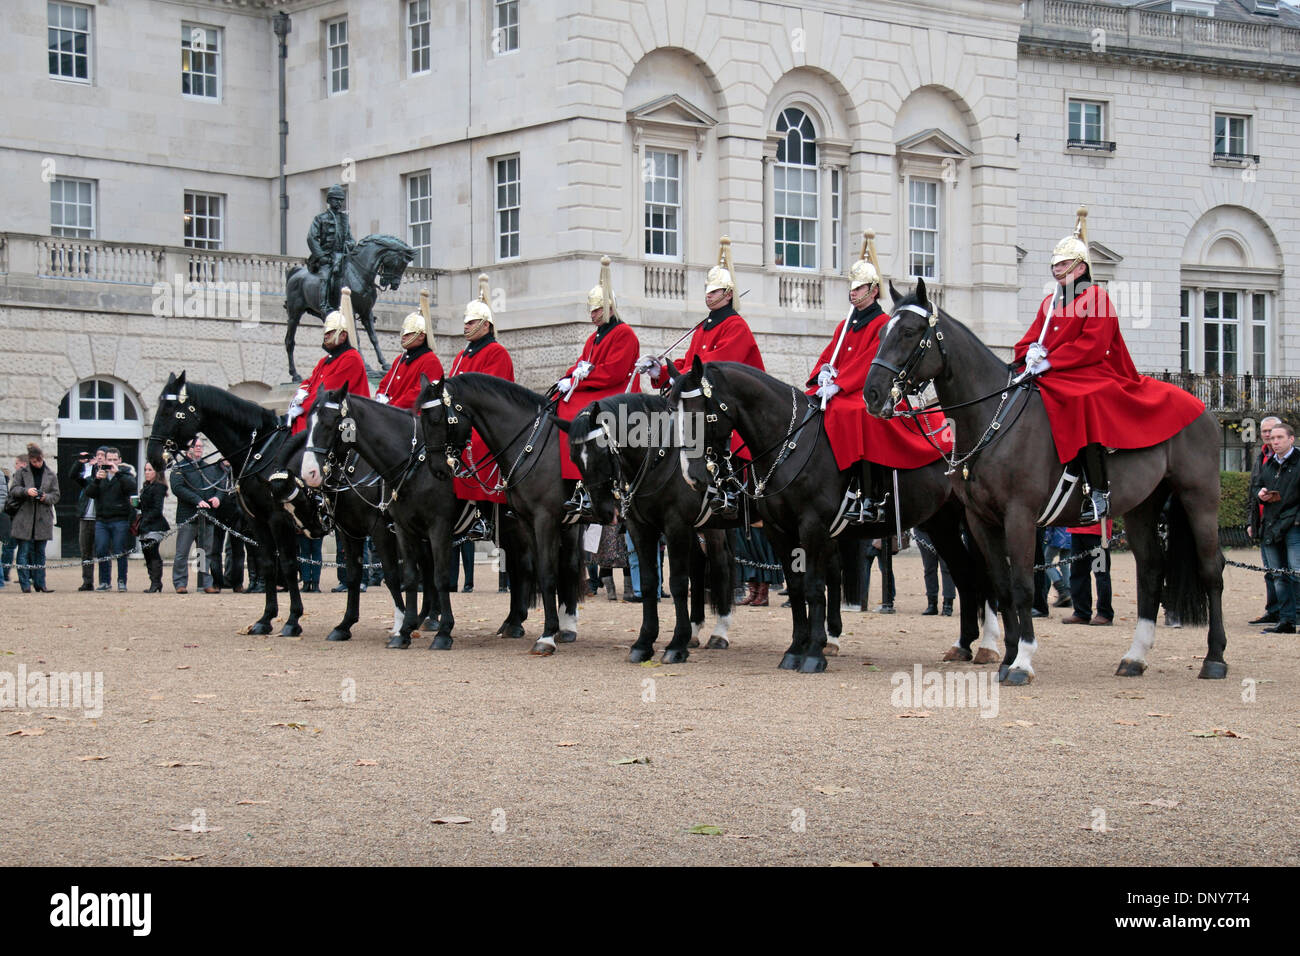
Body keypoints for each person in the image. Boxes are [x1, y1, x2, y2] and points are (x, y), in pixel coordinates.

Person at [1013, 207, 1205, 524]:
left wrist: (1049, 359)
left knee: (1083, 400)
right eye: (1055, 265)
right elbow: (1032, 336)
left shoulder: (1096, 297)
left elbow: (1093, 345)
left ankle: (1098, 490)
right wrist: (1026, 354)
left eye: (1063, 264)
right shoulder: (1049, 303)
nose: (1057, 270)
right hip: (1054, 373)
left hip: (1091, 371)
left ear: (1079, 266)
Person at [807, 231, 950, 524]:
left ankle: (865, 493)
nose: (853, 292)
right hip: (839, 390)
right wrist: (821, 373)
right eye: (852, 288)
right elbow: (830, 355)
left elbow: (870, 363)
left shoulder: (883, 322)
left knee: (855, 413)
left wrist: (841, 383)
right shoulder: (845, 324)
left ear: (873, 291)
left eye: (859, 288)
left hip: (864, 391)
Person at [553, 256, 640, 484]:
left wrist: (577, 383)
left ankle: (578, 478)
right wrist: (567, 377)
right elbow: (582, 363)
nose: (592, 315)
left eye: (597, 310)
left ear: (609, 307)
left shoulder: (624, 333)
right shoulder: (594, 337)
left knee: (574, 410)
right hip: (597, 388)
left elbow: (613, 373)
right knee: (556, 400)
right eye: (591, 310)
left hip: (615, 391)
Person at [447, 274, 514, 542]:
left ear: (486, 325)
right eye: (465, 321)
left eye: (472, 322)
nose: (466, 326)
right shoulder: (463, 354)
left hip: (487, 422)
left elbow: (491, 393)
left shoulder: (496, 352)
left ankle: (481, 514)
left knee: (474, 444)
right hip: (461, 417)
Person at [288, 286, 370, 435]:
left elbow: (329, 390)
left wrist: (303, 406)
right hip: (324, 413)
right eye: (326, 332)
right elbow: (311, 381)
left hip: (346, 422)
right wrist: (300, 393)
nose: (326, 336)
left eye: (331, 332)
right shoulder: (326, 360)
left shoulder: (351, 358)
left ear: (343, 336)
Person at [1251, 421, 1300, 634]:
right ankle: (1286, 620)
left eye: (1279, 437)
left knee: (1296, 571)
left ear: (1291, 439)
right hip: (1271, 524)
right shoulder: (1268, 463)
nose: (1275, 441)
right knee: (1278, 574)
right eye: (1272, 438)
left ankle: (1297, 614)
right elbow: (1256, 487)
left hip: (1294, 525)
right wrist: (1260, 494)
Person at [170, 437, 224, 594]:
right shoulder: (179, 467)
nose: (199, 448)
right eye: (195, 446)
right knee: (182, 552)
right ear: (188, 449)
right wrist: (197, 500)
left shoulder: (209, 467)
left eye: (201, 446)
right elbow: (178, 488)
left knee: (204, 552)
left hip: (207, 516)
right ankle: (180, 583)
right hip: (188, 516)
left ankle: (204, 582)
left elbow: (219, 486)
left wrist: (217, 498)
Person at [374, 289, 444, 409]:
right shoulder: (400, 359)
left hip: (412, 417)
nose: (404, 336)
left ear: (421, 336)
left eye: (409, 334)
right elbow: (385, 384)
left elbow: (419, 392)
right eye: (404, 333)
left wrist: (394, 407)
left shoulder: (430, 360)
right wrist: (380, 398)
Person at [9, 443, 60, 593]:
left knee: (40, 552)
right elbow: (14, 490)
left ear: (42, 458)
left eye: (38, 461)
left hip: (43, 518)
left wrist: (45, 497)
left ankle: (40, 583)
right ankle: (25, 584)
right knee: (23, 551)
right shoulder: (21, 472)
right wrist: (26, 491)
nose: (36, 464)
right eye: (33, 462)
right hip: (24, 517)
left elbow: (56, 495)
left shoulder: (51, 474)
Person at [1247, 416, 1282, 625]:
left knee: (1285, 568)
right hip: (1263, 520)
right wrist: (1250, 521)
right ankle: (1274, 609)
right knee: (1270, 569)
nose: (1268, 435)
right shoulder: (1260, 457)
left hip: (1282, 520)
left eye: (1272, 431)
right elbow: (1252, 490)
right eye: (1265, 431)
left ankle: (1291, 610)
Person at [87, 446, 137, 591]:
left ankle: (122, 581)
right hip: (102, 519)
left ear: (120, 460)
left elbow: (131, 488)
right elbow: (89, 493)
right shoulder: (99, 474)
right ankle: (104, 581)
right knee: (101, 550)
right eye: (109, 460)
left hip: (120, 519)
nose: (112, 462)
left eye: (115, 460)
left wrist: (118, 474)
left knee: (120, 550)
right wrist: (96, 480)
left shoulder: (125, 474)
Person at [307, 184, 355, 315]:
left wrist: (350, 244)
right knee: (326, 276)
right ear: (329, 200)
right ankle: (323, 305)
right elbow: (311, 238)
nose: (339, 202)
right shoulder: (320, 218)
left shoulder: (345, 219)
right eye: (336, 199)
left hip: (342, 256)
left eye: (341, 200)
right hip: (327, 258)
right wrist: (321, 256)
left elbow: (351, 239)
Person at [1061, 518, 1113, 626]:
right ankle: (1081, 612)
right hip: (1077, 528)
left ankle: (1104, 613)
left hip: (1097, 532)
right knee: (1077, 573)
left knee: (1101, 574)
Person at [70, 445, 109, 591]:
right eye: (97, 454)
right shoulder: (89, 473)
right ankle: (87, 581)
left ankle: (104, 581)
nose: (99, 457)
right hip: (86, 517)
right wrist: (80, 462)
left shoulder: (110, 474)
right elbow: (73, 476)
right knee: (85, 551)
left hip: (101, 518)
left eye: (102, 455)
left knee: (102, 551)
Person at [137, 460, 170, 593]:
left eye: (150, 470)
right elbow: (145, 506)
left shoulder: (159, 487)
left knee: (153, 553)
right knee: (147, 554)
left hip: (155, 525)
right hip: (145, 524)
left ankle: (156, 583)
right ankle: (154, 581)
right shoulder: (147, 486)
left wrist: (146, 520)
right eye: (146, 470)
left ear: (156, 472)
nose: (147, 473)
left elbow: (157, 509)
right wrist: (137, 505)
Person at [913, 527, 954, 616]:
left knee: (947, 569)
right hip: (924, 530)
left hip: (946, 529)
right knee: (929, 569)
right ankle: (932, 603)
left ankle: (948, 604)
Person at [1, 455, 28, 584]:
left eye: (16, 463)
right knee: (10, 548)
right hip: (12, 517)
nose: (15, 466)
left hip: (18, 518)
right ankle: (6, 575)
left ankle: (21, 577)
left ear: (22, 464)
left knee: (13, 548)